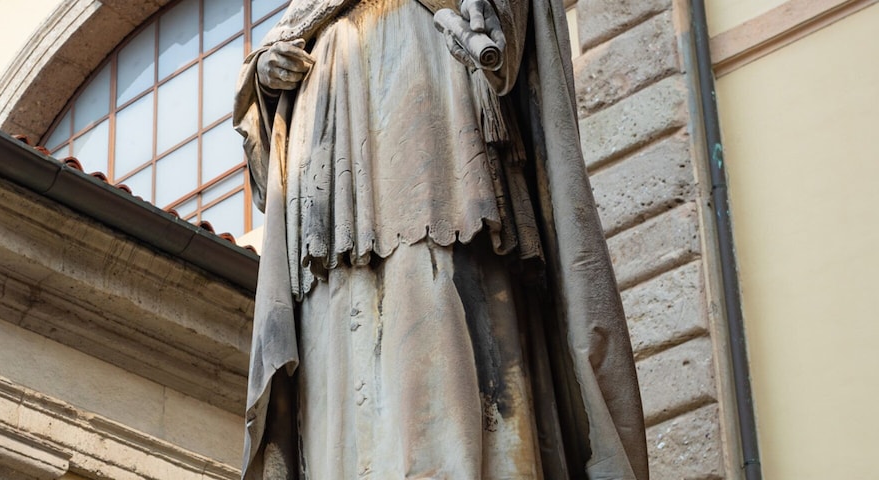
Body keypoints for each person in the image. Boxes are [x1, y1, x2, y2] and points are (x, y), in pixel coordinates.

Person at [232, 0, 650, 478]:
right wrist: (266, 78)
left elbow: (506, 29)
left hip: (432, 116)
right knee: (341, 347)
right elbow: (278, 70)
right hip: (328, 171)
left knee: (441, 303)